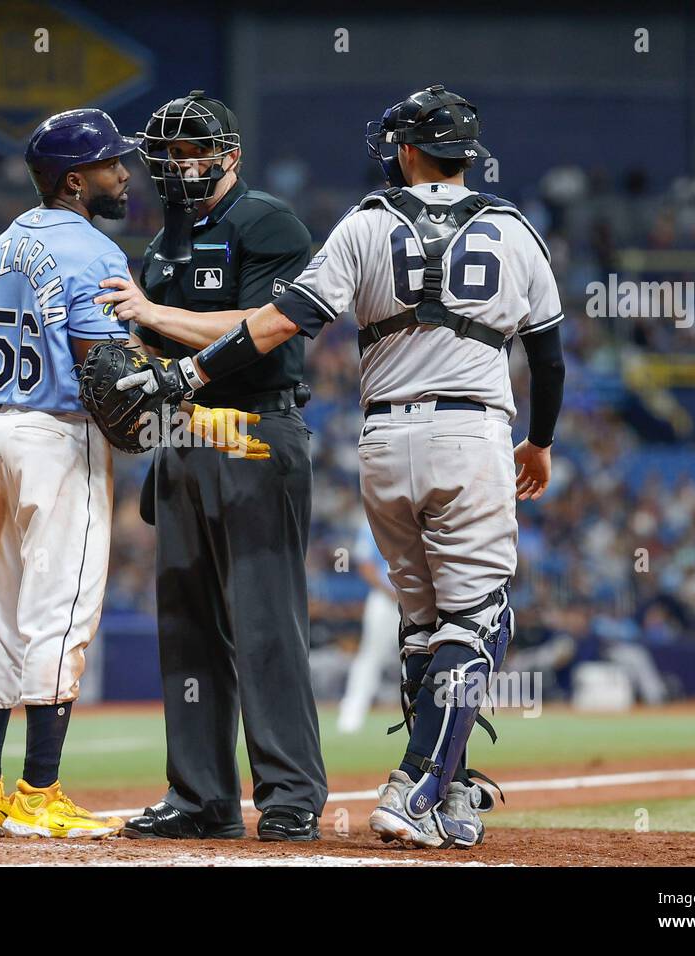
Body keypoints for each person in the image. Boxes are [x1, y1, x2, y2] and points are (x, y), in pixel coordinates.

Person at [114, 85, 567, 850]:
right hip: (471, 430)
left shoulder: (363, 221)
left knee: (421, 623)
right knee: (475, 617)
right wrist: (542, 441)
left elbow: (285, 321)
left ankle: (434, 780)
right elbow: (548, 356)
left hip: (383, 438)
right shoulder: (514, 227)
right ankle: (422, 784)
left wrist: (186, 373)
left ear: (407, 150)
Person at [94, 91, 328, 842]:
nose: (177, 163)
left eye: (192, 149)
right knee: (186, 628)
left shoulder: (268, 221)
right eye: (167, 151)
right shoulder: (167, 238)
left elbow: (263, 325)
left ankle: (290, 796)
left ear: (228, 154)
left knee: (265, 625)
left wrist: (151, 316)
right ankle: (200, 798)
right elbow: (152, 347)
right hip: (185, 438)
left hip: (256, 432)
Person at [0, 108, 144, 840]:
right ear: (73, 181)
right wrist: (176, 412)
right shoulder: (93, 251)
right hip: (60, 437)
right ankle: (39, 793)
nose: (124, 173)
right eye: (110, 164)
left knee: (5, 618)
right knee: (60, 617)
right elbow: (104, 371)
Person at [336, 524, 401, 734]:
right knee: (370, 656)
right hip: (384, 599)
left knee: (427, 656)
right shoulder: (372, 521)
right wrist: (392, 593)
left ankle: (440, 715)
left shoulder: (419, 513)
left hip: (417, 599)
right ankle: (352, 714)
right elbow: (365, 566)